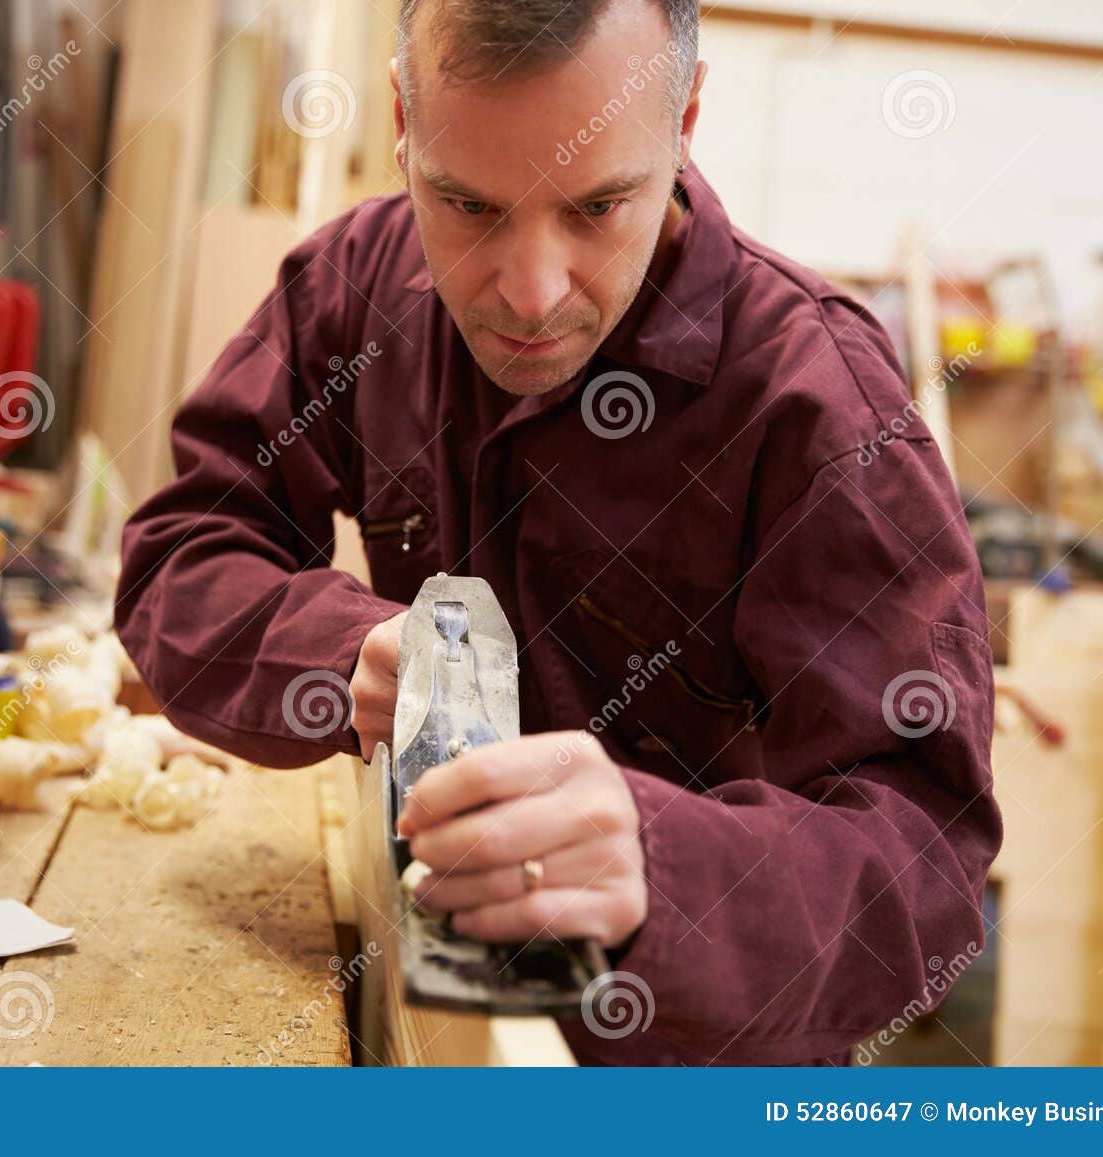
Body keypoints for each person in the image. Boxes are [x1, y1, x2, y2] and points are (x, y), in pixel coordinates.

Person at [117, 0, 1001, 1066]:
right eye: (467, 204)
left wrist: (660, 866)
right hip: (425, 1026)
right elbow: (183, 553)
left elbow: (925, 871)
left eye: (597, 207)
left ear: (685, 121)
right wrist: (340, 654)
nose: (529, 294)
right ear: (402, 119)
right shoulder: (358, 292)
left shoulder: (820, 408)